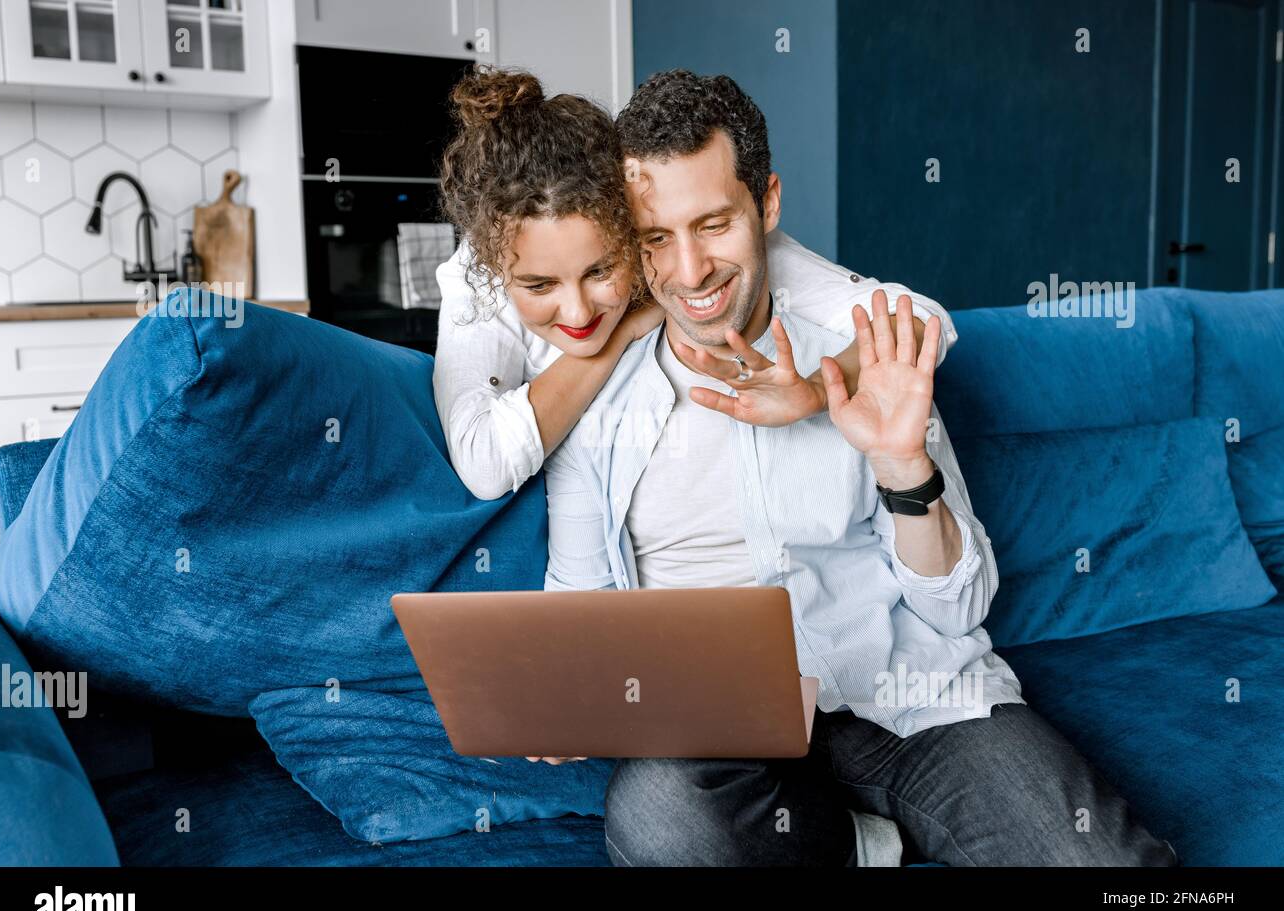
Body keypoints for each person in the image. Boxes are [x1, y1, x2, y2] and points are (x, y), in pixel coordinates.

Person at [542, 68, 1181, 867]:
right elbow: (577, 614)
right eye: (655, 239)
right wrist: (566, 702)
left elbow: (960, 609)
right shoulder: (599, 406)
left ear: (767, 205)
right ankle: (851, 843)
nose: (691, 270)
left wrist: (901, 463)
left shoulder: (866, 362)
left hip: (907, 700)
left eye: (714, 225)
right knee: (662, 819)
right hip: (717, 732)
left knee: (1119, 875)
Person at [432, 65, 957, 503]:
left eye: (600, 270)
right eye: (540, 285)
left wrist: (819, 391)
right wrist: (622, 334)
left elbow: (923, 322)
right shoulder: (482, 270)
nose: (576, 313)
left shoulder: (699, 248)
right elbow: (486, 462)